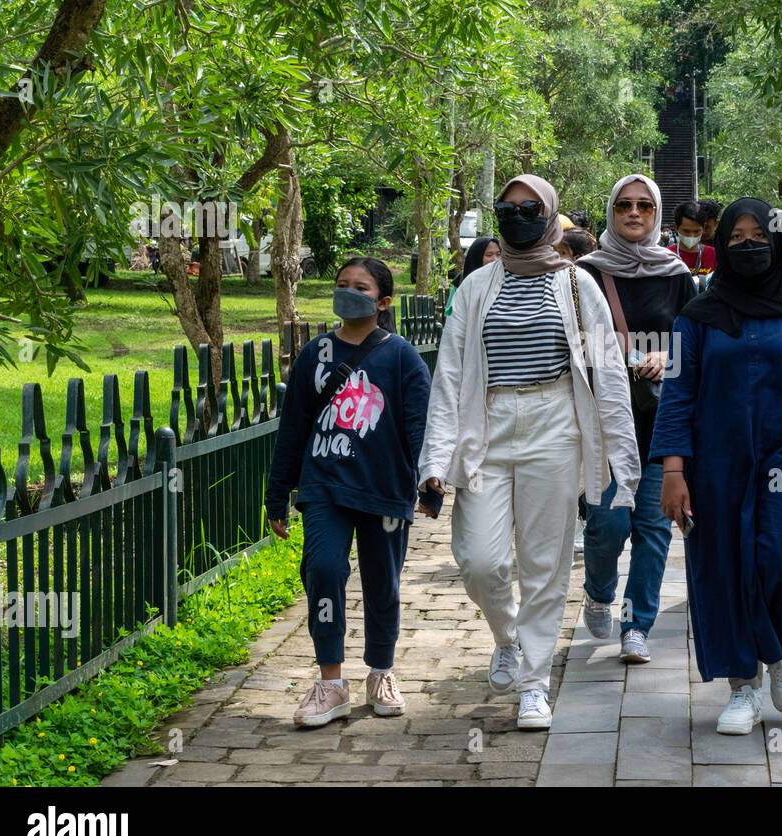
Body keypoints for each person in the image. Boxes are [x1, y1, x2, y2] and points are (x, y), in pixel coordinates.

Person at [416, 174, 639, 730]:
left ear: (550, 213)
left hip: (554, 424)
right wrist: (435, 461)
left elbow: (608, 372)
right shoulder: (474, 288)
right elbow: (448, 376)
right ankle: (507, 638)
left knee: (545, 562)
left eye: (529, 207)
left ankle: (535, 683)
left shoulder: (577, 284)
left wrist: (621, 459)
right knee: (480, 559)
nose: (517, 215)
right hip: (485, 426)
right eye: (506, 207)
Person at [653, 197, 782, 735]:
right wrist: (674, 472)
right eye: (735, 238)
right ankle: (743, 685)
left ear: (776, 239)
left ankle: (781, 651)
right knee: (725, 568)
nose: (747, 246)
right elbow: (678, 394)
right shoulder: (699, 314)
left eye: (756, 235)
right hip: (717, 463)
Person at [265, 257, 432, 728]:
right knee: (323, 569)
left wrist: (429, 482)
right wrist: (277, 493)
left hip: (384, 489)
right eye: (341, 285)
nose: (348, 292)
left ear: (383, 301)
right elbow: (293, 427)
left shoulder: (402, 357)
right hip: (324, 485)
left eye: (360, 287)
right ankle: (331, 681)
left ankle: (381, 671)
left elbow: (422, 428)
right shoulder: (314, 353)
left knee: (384, 583)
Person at [576, 174, 696, 663]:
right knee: (607, 526)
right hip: (603, 421)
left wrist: (666, 360)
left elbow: (694, 347)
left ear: (656, 214)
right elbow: (568, 343)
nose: (634, 213)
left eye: (645, 206)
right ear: (610, 209)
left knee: (653, 526)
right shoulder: (583, 274)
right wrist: (612, 358)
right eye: (624, 204)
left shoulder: (675, 275)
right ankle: (600, 590)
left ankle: (636, 625)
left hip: (658, 418)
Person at [445, 237, 500, 317]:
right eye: (489, 255)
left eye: (498, 254)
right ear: (477, 256)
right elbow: (449, 313)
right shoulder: (462, 281)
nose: (495, 259)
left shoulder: (504, 280)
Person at [665, 200, 718, 273]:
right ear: (676, 227)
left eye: (697, 231)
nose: (691, 236)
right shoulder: (666, 255)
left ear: (703, 228)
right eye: (686, 231)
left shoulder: (714, 255)